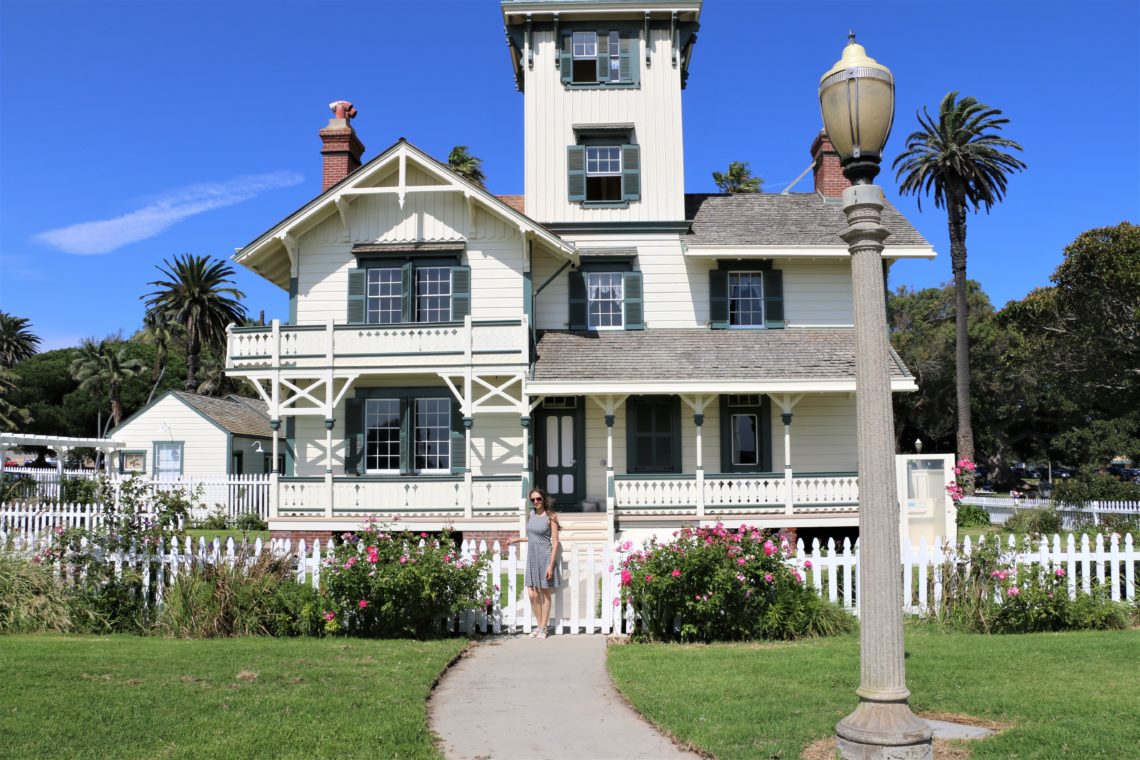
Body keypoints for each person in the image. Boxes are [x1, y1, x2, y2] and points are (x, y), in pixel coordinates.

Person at [506, 488, 561, 639]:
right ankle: (539, 625)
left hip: (545, 557)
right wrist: (516, 540)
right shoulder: (531, 515)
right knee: (532, 594)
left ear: (544, 499)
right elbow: (533, 537)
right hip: (532, 557)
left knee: (545, 593)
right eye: (533, 500)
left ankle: (543, 628)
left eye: (538, 499)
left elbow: (555, 543)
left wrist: (550, 565)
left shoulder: (551, 517)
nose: (536, 502)